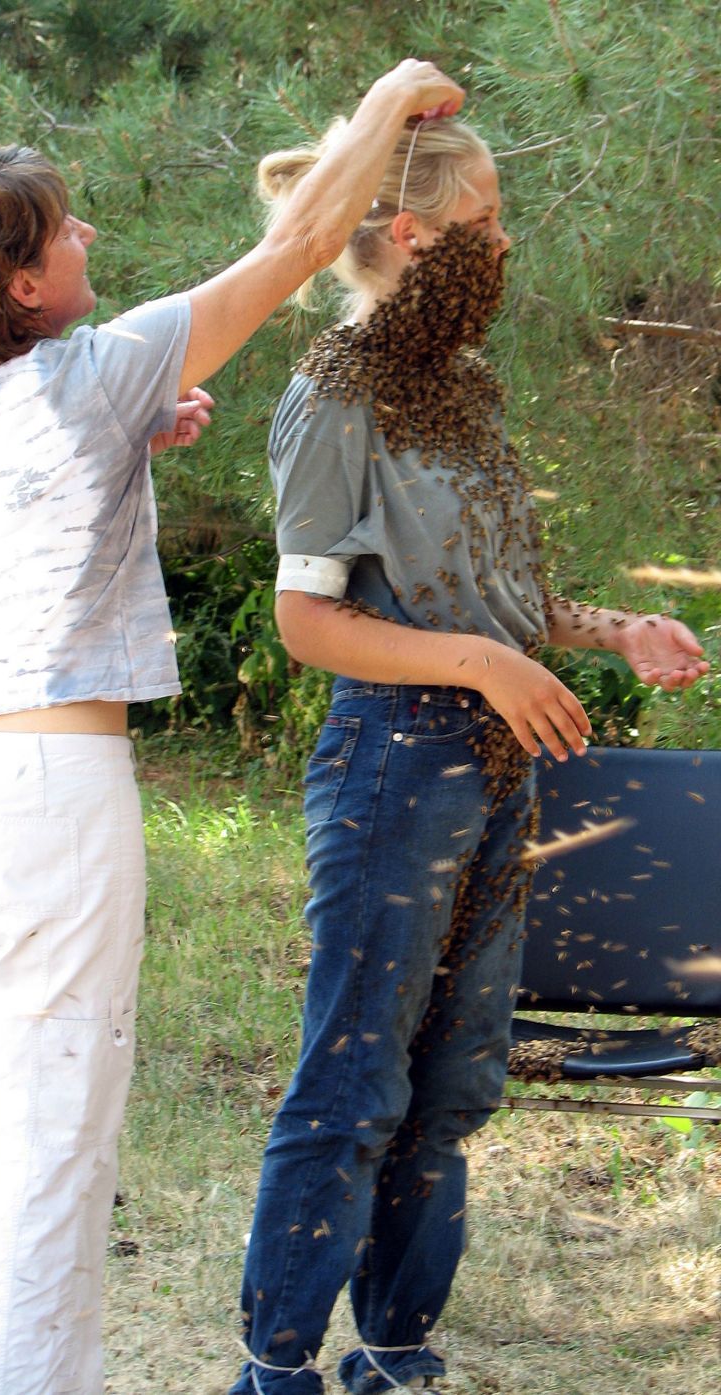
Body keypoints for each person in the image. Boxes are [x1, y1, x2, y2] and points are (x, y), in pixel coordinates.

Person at [0, 60, 466, 1395]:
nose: (88, 233)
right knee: (55, 1137)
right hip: (49, 788)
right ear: (25, 287)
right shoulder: (97, 372)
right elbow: (290, 246)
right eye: (64, 228)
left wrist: (125, 437)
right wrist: (390, 96)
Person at [230, 115, 709, 1395]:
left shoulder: (462, 380)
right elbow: (306, 622)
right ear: (410, 232)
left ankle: (397, 1356)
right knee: (351, 1090)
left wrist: (611, 631)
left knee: (450, 1087)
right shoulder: (333, 392)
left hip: (500, 777)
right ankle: (273, 1372)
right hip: (393, 770)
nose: (505, 238)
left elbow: (494, 599)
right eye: (486, 219)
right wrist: (485, 668)